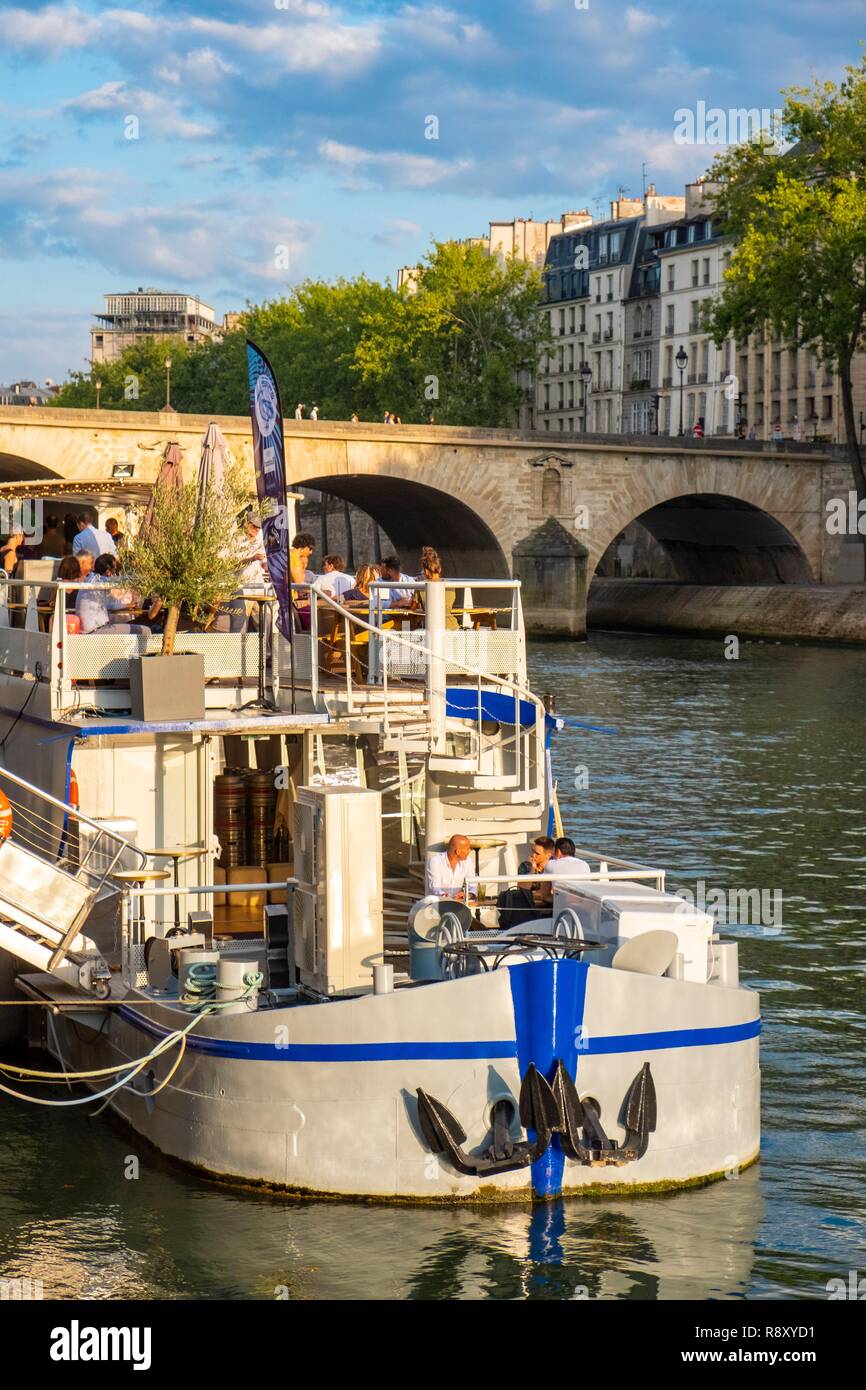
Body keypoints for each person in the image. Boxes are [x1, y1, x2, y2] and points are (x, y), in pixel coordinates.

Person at [76, 554, 150, 635]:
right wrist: (146, 579)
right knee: (145, 631)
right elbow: (123, 581)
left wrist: (127, 605)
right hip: (97, 630)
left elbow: (109, 605)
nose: (116, 573)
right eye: (115, 570)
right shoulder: (101, 581)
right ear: (108, 572)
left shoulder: (91, 579)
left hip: (91, 630)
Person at [495, 836, 555, 927]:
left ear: (548, 855)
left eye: (537, 853)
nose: (533, 855)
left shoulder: (555, 869)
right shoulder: (525, 867)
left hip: (549, 909)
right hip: (528, 908)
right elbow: (522, 891)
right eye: (532, 851)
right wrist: (532, 870)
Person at [536, 836, 592, 906]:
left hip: (563, 906)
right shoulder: (585, 864)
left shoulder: (551, 864)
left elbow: (545, 895)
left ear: (558, 852)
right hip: (583, 905)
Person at [413, 546, 458, 629]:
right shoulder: (450, 586)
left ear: (425, 571)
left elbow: (413, 608)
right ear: (439, 569)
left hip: (430, 627)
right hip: (451, 627)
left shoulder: (421, 586)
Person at [425, 833, 472, 899]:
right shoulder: (435, 861)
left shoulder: (468, 861)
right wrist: (446, 896)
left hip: (457, 904)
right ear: (458, 851)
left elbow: (473, 884)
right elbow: (435, 888)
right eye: (467, 849)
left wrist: (467, 894)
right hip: (436, 905)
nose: (470, 851)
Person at [290, 530, 316, 630]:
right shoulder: (294, 557)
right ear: (304, 547)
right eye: (310, 548)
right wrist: (319, 592)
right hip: (289, 600)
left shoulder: (288, 554)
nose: (311, 552)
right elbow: (300, 584)